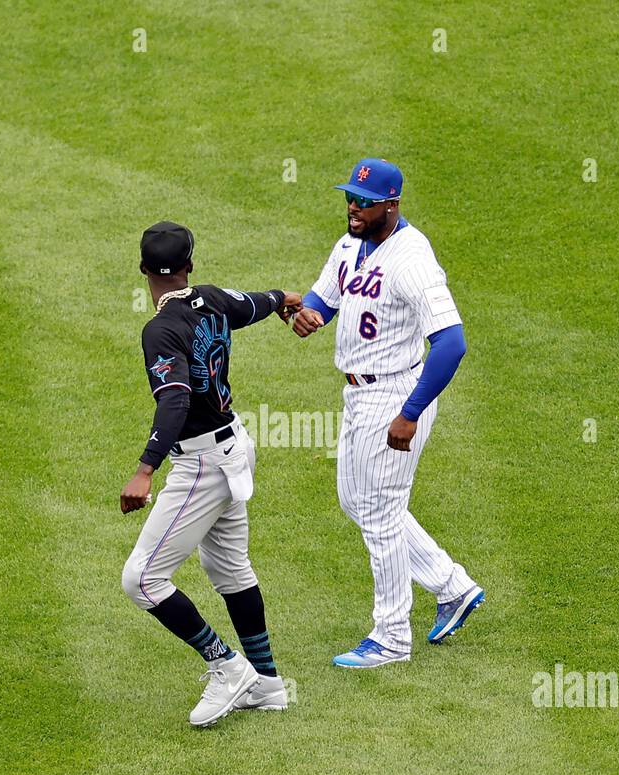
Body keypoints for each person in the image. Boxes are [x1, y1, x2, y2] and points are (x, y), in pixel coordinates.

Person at [292, 159, 484, 668]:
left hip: (396, 394)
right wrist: (308, 313)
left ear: (391, 205)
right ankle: (453, 586)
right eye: (350, 198)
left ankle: (392, 635)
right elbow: (325, 298)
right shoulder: (350, 243)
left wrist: (410, 413)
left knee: (379, 511)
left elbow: (451, 343)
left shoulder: (412, 259)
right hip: (357, 393)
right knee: (358, 503)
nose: (353, 208)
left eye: (364, 201)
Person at [120, 221, 300, 724]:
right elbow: (254, 304)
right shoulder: (212, 298)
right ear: (190, 266)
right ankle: (267, 684)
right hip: (235, 447)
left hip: (201, 465)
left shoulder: (159, 330)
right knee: (229, 569)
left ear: (141, 270)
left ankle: (228, 667)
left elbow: (174, 399)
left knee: (142, 579)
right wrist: (286, 297)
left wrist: (144, 470)